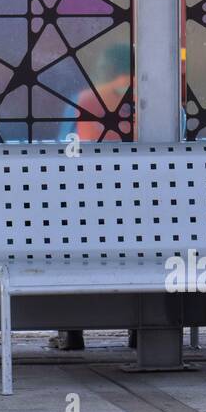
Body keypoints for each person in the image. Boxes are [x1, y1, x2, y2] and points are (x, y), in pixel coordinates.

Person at [50, 42, 133, 352]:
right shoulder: (159, 101)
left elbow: (63, 150)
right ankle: (142, 325)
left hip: (86, 204)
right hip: (142, 210)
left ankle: (71, 328)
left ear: (109, 68)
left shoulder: (84, 100)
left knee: (67, 242)